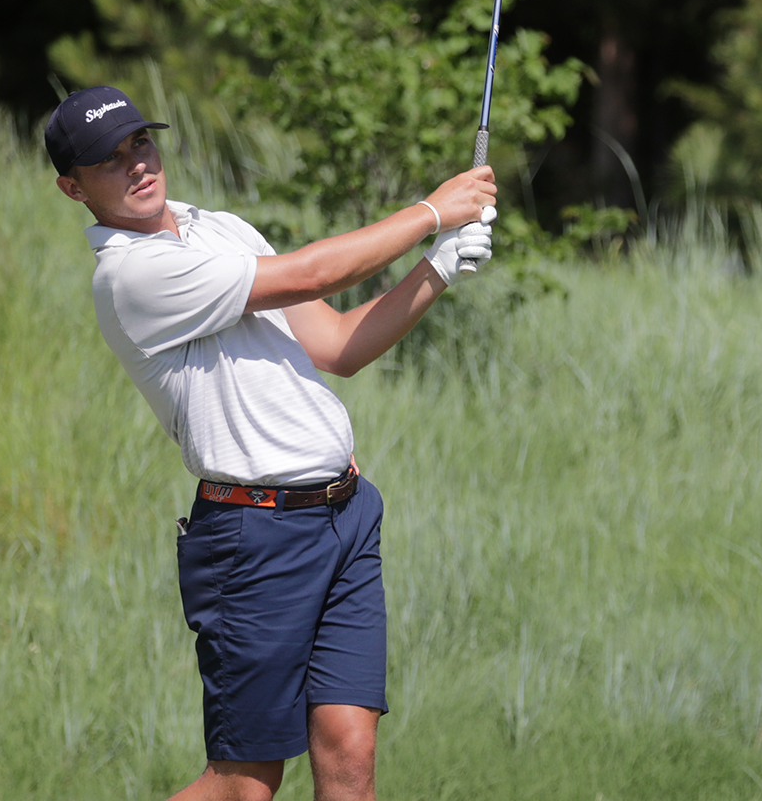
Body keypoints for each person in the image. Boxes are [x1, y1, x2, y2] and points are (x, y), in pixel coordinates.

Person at [47, 85, 497, 801]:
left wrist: (437, 267)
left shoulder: (219, 228)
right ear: (74, 187)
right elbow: (314, 272)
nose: (136, 165)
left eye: (140, 143)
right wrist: (433, 212)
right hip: (254, 534)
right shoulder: (132, 274)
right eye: (109, 160)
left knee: (351, 750)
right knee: (245, 784)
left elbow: (339, 344)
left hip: (346, 516)